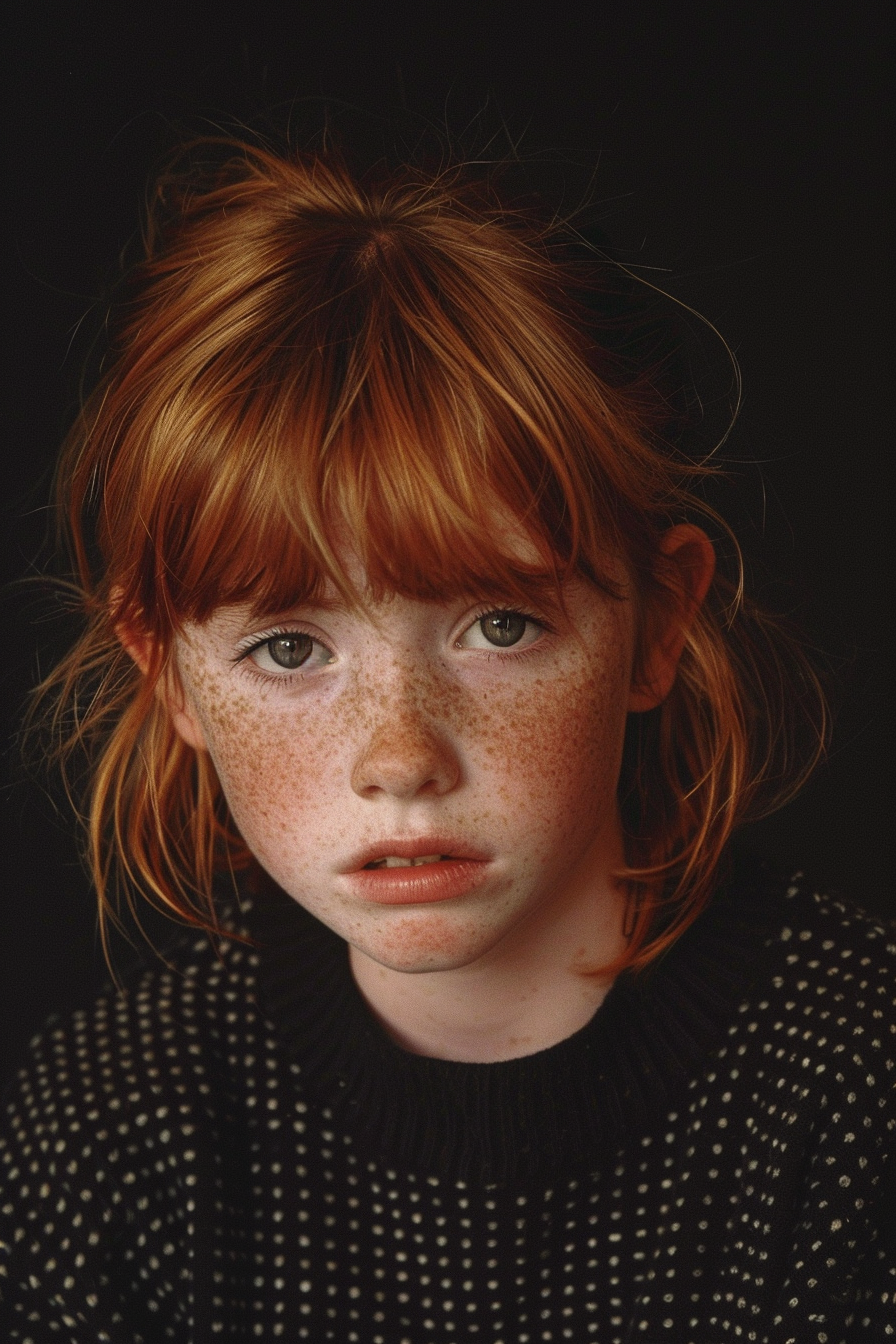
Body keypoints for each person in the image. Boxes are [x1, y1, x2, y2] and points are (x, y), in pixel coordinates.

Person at [1, 136, 893, 1344]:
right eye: (287, 649)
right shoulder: (106, 1131)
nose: (399, 756)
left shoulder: (854, 1096)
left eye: (499, 623)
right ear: (172, 680)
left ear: (655, 625)